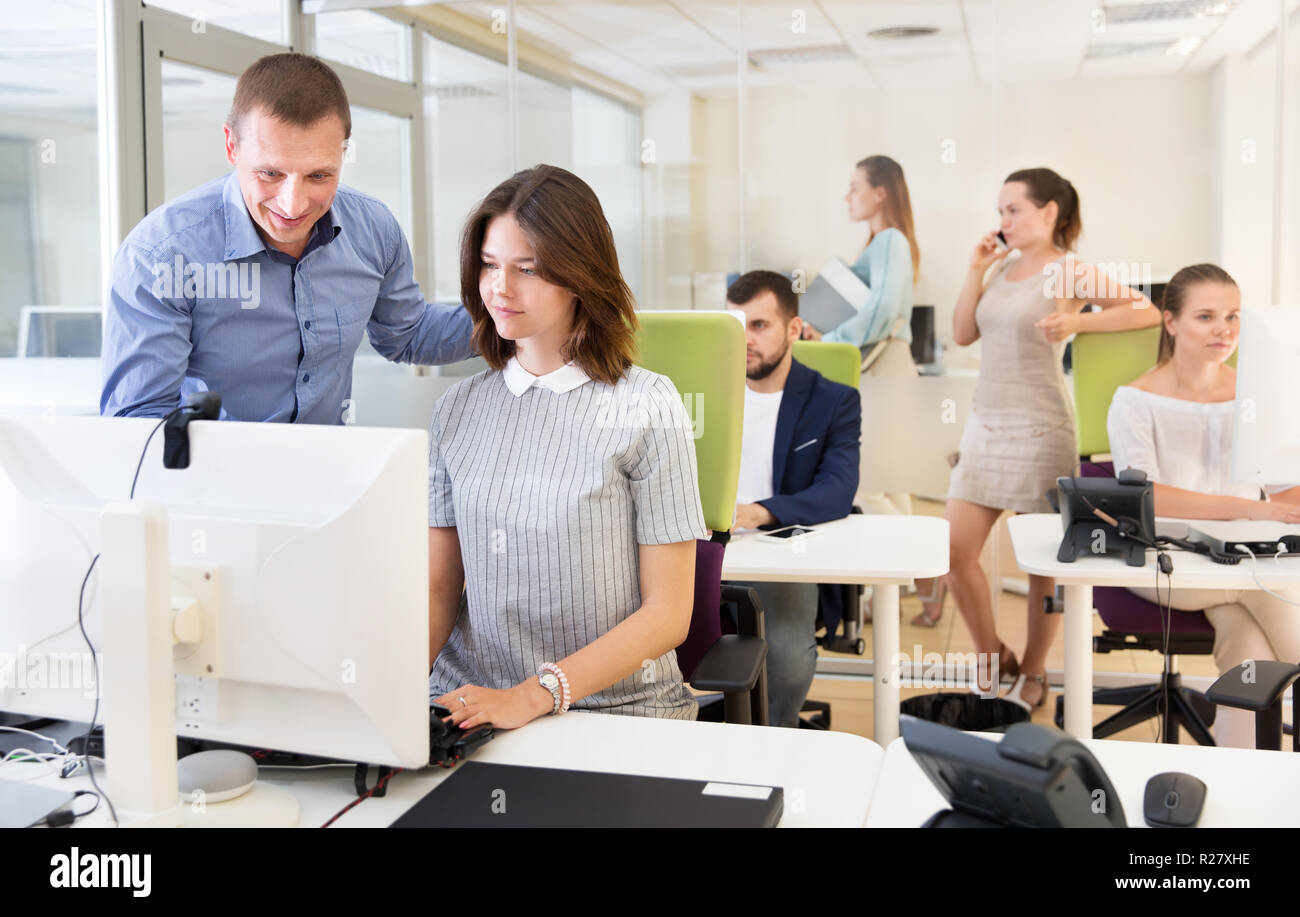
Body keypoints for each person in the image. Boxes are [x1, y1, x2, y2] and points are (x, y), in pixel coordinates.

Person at [428, 165, 706, 729]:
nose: (499, 288)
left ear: (580, 274)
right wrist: (383, 691)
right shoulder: (456, 410)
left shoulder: (648, 406)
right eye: (488, 265)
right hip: (470, 707)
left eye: (526, 269)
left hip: (616, 709)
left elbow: (669, 615)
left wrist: (531, 696)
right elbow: (439, 587)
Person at [101, 53, 472, 423]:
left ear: (344, 152)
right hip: (210, 477)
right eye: (271, 173)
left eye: (319, 176)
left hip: (330, 474)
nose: (293, 205)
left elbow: (408, 334)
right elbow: (138, 421)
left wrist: (515, 319)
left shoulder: (373, 228)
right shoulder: (160, 255)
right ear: (231, 145)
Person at [945, 167, 1161, 710]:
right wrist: (975, 269)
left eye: (1013, 209)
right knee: (953, 552)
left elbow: (1147, 309)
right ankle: (991, 654)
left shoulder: (1069, 272)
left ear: (1049, 212)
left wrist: (1079, 324)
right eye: (999, 211)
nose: (1003, 221)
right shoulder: (1000, 269)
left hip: (1042, 426)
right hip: (985, 424)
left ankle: (1036, 668)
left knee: (1042, 563)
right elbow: (963, 333)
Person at [1107, 264, 1300, 747]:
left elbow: (1284, 492)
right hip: (1171, 561)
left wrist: (1274, 512)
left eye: (1233, 316)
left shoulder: (1254, 395)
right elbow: (1147, 496)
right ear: (1170, 322)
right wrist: (1252, 511)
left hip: (1244, 556)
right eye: (1206, 316)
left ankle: (1244, 772)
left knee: (1249, 649)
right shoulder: (1134, 400)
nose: (1224, 330)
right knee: (1276, 606)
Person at [724, 270, 861, 727]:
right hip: (703, 545)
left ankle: (771, 742)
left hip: (777, 544)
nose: (744, 339)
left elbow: (837, 491)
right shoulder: (702, 392)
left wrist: (758, 513)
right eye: (735, 326)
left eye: (759, 326)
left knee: (784, 657)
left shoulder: (833, 401)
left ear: (795, 329)